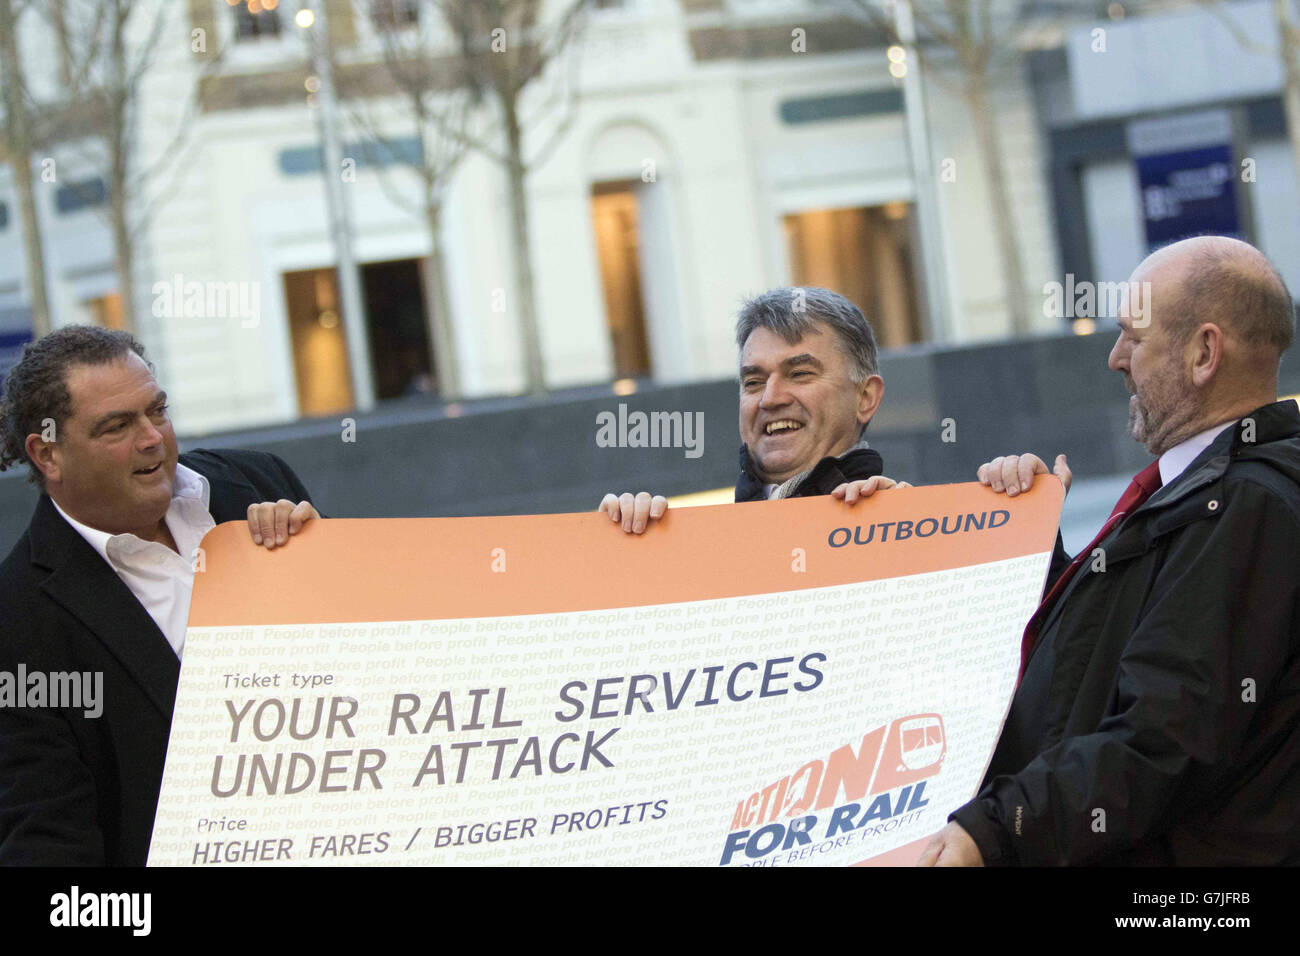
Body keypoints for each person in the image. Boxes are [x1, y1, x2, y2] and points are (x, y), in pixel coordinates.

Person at [919, 235, 1300, 866]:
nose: (1116, 358)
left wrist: (993, 833)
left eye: (1133, 335)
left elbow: (1161, 740)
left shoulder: (1243, 505)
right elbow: (1119, 658)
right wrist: (1033, 546)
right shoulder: (1218, 495)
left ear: (1204, 352)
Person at [0, 326, 320, 865]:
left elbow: (369, 662)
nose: (152, 438)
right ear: (47, 454)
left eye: (158, 410)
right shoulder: (17, 622)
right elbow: (47, 838)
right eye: (117, 426)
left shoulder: (259, 484)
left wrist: (322, 561)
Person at [600, 287, 907, 530]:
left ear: (865, 397)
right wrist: (625, 548)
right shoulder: (694, 542)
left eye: (799, 374)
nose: (770, 398)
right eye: (754, 382)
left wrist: (911, 538)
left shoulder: (906, 528)